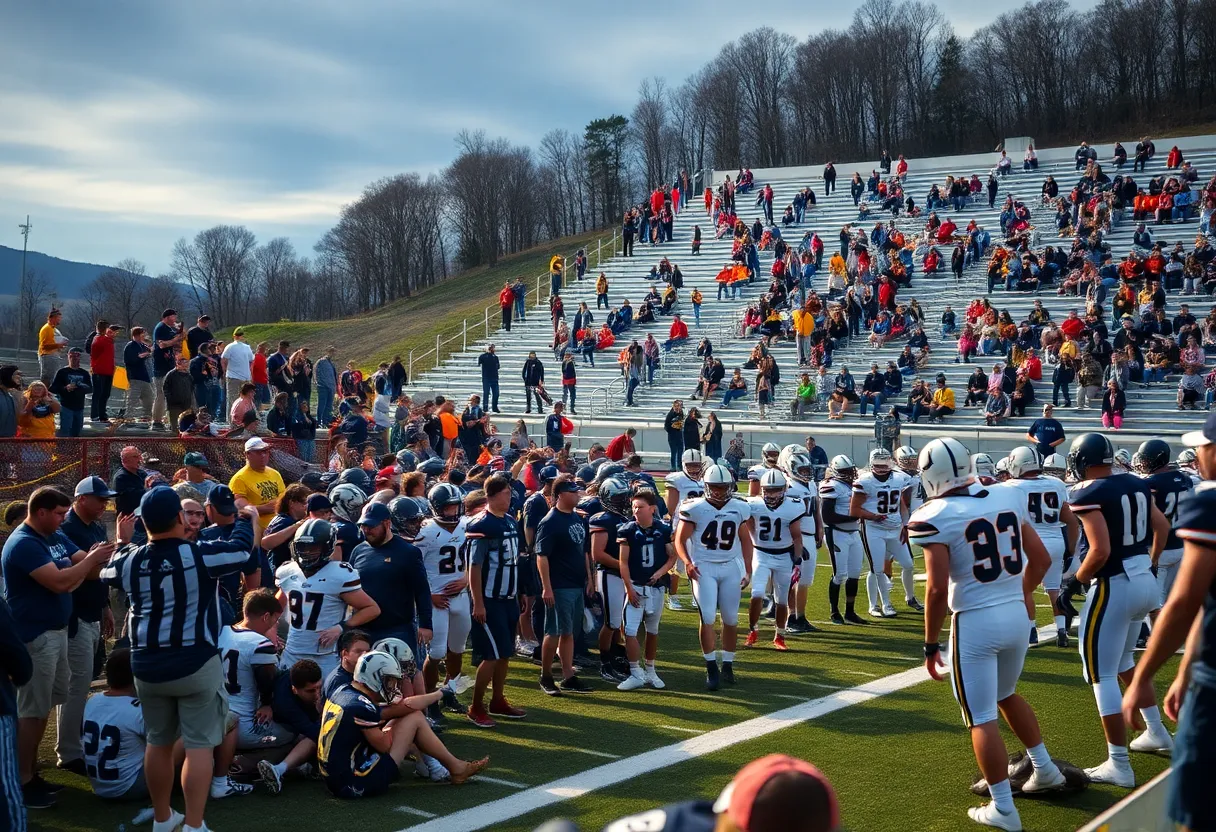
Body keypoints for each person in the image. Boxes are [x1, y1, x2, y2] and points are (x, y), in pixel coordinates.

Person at [909, 437, 1068, 832]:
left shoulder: (934, 514)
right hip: (1015, 614)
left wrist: (930, 642)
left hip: (976, 621)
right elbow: (1043, 558)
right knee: (1006, 695)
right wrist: (1023, 593)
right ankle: (1044, 768)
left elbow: (935, 588)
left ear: (930, 475)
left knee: (980, 718)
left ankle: (1004, 809)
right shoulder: (1007, 496)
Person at [98, 487, 260, 831]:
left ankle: (162, 817)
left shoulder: (131, 559)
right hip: (194, 662)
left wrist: (123, 540)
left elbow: (107, 570)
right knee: (200, 746)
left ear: (143, 521)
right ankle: (194, 824)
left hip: (146, 664)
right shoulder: (199, 554)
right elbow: (242, 550)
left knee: (158, 742)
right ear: (179, 518)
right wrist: (246, 518)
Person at [1060, 433, 1172, 787]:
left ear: (1081, 459)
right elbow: (1162, 527)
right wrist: (1148, 564)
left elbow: (1100, 550)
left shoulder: (1085, 491)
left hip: (1113, 585)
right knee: (1123, 662)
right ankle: (1155, 731)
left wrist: (1075, 582)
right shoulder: (1137, 483)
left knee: (1100, 673)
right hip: (1143, 581)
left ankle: (1118, 764)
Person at [1122, 413, 1216, 832]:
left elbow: (1187, 601)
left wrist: (1145, 675)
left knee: (1197, 812)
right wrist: (1184, 668)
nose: (1197, 454)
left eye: (1202, 446)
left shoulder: (1210, 500)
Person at [2, 487, 115, 809]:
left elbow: (84, 570)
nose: (62, 519)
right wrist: (83, 566)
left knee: (44, 707)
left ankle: (30, 771)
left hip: (56, 633)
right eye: (57, 514)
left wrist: (81, 568)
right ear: (40, 512)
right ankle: (22, 778)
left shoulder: (52, 537)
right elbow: (62, 581)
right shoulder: (25, 543)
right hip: (36, 636)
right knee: (32, 711)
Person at [317, 651, 487, 799]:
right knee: (413, 719)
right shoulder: (360, 706)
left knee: (409, 715)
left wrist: (398, 716)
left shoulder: (345, 691)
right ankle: (452, 767)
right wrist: (399, 729)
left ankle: (451, 766)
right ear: (374, 677)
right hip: (354, 781)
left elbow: (387, 711)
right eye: (389, 680)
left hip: (336, 775)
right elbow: (384, 745)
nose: (393, 686)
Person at [55, 476, 121, 775]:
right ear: (81, 499)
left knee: (80, 681)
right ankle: (69, 752)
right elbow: (92, 573)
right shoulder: (67, 528)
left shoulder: (93, 525)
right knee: (76, 684)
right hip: (75, 615)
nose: (104, 504)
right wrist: (115, 552)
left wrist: (105, 606)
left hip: (92, 611)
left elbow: (100, 573)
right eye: (99, 498)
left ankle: (72, 743)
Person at [676, 464, 754, 691]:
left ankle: (728, 664)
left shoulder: (740, 507)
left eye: (723, 487)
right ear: (706, 486)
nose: (719, 491)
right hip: (704, 567)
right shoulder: (695, 507)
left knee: (731, 619)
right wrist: (688, 563)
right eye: (715, 487)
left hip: (730, 566)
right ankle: (711, 665)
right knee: (708, 616)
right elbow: (680, 540)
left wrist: (747, 569)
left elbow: (745, 540)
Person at [276, 519, 380, 677]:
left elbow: (372, 609)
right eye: (303, 547)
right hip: (292, 652)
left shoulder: (339, 574)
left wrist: (341, 627)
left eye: (313, 547)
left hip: (325, 656)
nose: (307, 552)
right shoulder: (287, 571)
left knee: (323, 699)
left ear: (327, 547)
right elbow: (275, 608)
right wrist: (270, 631)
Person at [1002, 447, 1079, 648]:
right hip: (1055, 543)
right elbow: (1071, 521)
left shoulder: (1011, 487)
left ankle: (1031, 631)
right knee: (1054, 589)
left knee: (1024, 589)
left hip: (1030, 545)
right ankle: (1061, 630)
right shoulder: (1056, 484)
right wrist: (1070, 550)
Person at [465, 474, 526, 727]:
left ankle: (497, 700)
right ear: (491, 495)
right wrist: (478, 602)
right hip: (489, 600)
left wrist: (519, 592)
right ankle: (476, 705)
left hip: (508, 597)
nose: (509, 497)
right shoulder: (481, 525)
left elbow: (514, 564)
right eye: (505, 493)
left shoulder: (510, 521)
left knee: (505, 653)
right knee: (491, 655)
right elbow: (474, 567)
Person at [350, 501, 431, 680]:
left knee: (405, 676)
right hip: (364, 629)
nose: (367, 530)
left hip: (397, 627)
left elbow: (422, 590)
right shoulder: (358, 551)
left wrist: (426, 625)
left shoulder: (408, 552)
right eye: (364, 526)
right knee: (365, 678)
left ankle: (423, 706)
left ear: (386, 524)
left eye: (371, 526)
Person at [535, 475, 593, 695]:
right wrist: (546, 587)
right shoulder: (550, 521)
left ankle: (568, 675)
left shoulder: (576, 518)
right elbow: (541, 556)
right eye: (572, 491)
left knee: (569, 632)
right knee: (555, 631)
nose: (577, 494)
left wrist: (589, 578)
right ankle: (546, 675)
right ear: (560, 495)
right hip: (559, 585)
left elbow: (583, 550)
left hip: (576, 584)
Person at [615, 489, 675, 691]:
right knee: (630, 631)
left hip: (656, 588)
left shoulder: (664, 529)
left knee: (653, 630)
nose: (636, 511)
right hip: (636, 586)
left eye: (640, 507)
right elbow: (623, 562)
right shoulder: (627, 530)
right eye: (634, 507)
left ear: (652, 509)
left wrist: (659, 573)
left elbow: (672, 557)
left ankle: (650, 670)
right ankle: (635, 672)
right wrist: (628, 588)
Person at [851, 449, 916, 618]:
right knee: (877, 569)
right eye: (877, 465)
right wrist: (873, 516)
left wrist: (905, 525)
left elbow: (901, 504)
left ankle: (909, 597)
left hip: (895, 528)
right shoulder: (864, 481)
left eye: (884, 465)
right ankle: (880, 605)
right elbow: (854, 510)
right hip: (874, 529)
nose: (881, 469)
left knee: (908, 564)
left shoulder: (899, 478)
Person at [745, 470, 804, 651]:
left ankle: (780, 635)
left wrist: (798, 559)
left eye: (776, 490)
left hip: (783, 555)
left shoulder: (792, 506)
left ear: (784, 489)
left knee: (782, 599)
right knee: (756, 594)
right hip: (761, 553)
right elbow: (747, 524)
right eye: (768, 490)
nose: (771, 494)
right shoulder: (752, 504)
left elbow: (797, 537)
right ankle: (753, 630)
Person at [229, 437, 286, 517]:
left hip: (279, 521)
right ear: (247, 454)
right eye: (258, 452)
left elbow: (284, 498)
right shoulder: (239, 479)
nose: (263, 455)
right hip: (258, 526)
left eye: (265, 451)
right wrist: (265, 508)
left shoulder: (275, 474)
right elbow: (242, 510)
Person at [151, 308, 184, 431]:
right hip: (161, 367)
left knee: (170, 395)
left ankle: (168, 418)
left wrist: (179, 331)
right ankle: (156, 420)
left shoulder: (170, 329)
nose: (175, 319)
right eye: (173, 317)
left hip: (169, 366)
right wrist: (175, 340)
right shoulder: (160, 328)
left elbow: (180, 336)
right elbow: (162, 344)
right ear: (167, 317)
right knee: (160, 394)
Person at [47, 348, 90, 437]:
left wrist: (81, 386)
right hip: (66, 406)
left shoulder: (85, 373)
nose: (74, 358)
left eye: (77, 355)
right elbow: (53, 389)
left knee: (77, 431)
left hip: (80, 407)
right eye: (72, 355)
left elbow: (91, 389)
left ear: (80, 358)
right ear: (68, 357)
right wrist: (65, 388)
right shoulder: (62, 372)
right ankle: (63, 450)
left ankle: (75, 450)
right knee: (65, 431)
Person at [88, 322, 120, 423]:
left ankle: (102, 414)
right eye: (110, 330)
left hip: (108, 370)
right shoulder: (98, 339)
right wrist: (109, 336)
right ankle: (95, 415)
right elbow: (102, 344)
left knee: (106, 393)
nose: (114, 334)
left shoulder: (107, 340)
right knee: (98, 393)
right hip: (99, 371)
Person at [220, 329, 255, 416]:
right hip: (245, 377)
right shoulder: (247, 347)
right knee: (247, 399)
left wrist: (224, 371)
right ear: (242, 336)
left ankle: (232, 422)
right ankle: (245, 420)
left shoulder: (230, 346)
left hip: (233, 376)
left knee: (232, 400)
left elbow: (223, 360)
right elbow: (251, 361)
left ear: (234, 336)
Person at [37, 308, 67, 386]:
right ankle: (43, 394)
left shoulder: (54, 329)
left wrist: (60, 346)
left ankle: (48, 394)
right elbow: (44, 346)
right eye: (58, 318)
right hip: (47, 356)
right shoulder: (47, 329)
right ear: (52, 318)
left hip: (54, 356)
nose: (59, 320)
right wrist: (58, 345)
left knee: (52, 378)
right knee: (47, 377)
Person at [663, 400, 685, 471]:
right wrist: (673, 428)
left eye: (681, 406)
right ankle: (673, 467)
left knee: (680, 451)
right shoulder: (670, 414)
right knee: (674, 452)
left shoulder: (681, 413)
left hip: (679, 435)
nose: (680, 408)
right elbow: (666, 426)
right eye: (678, 406)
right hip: (672, 436)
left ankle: (679, 466)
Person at [478, 344, 501, 413]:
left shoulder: (496, 357)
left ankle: (494, 407)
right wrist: (486, 352)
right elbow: (480, 361)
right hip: (486, 378)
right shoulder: (483, 356)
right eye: (491, 348)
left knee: (496, 393)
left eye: (493, 348)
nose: (493, 349)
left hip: (495, 378)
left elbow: (498, 366)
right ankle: (485, 407)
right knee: (486, 393)